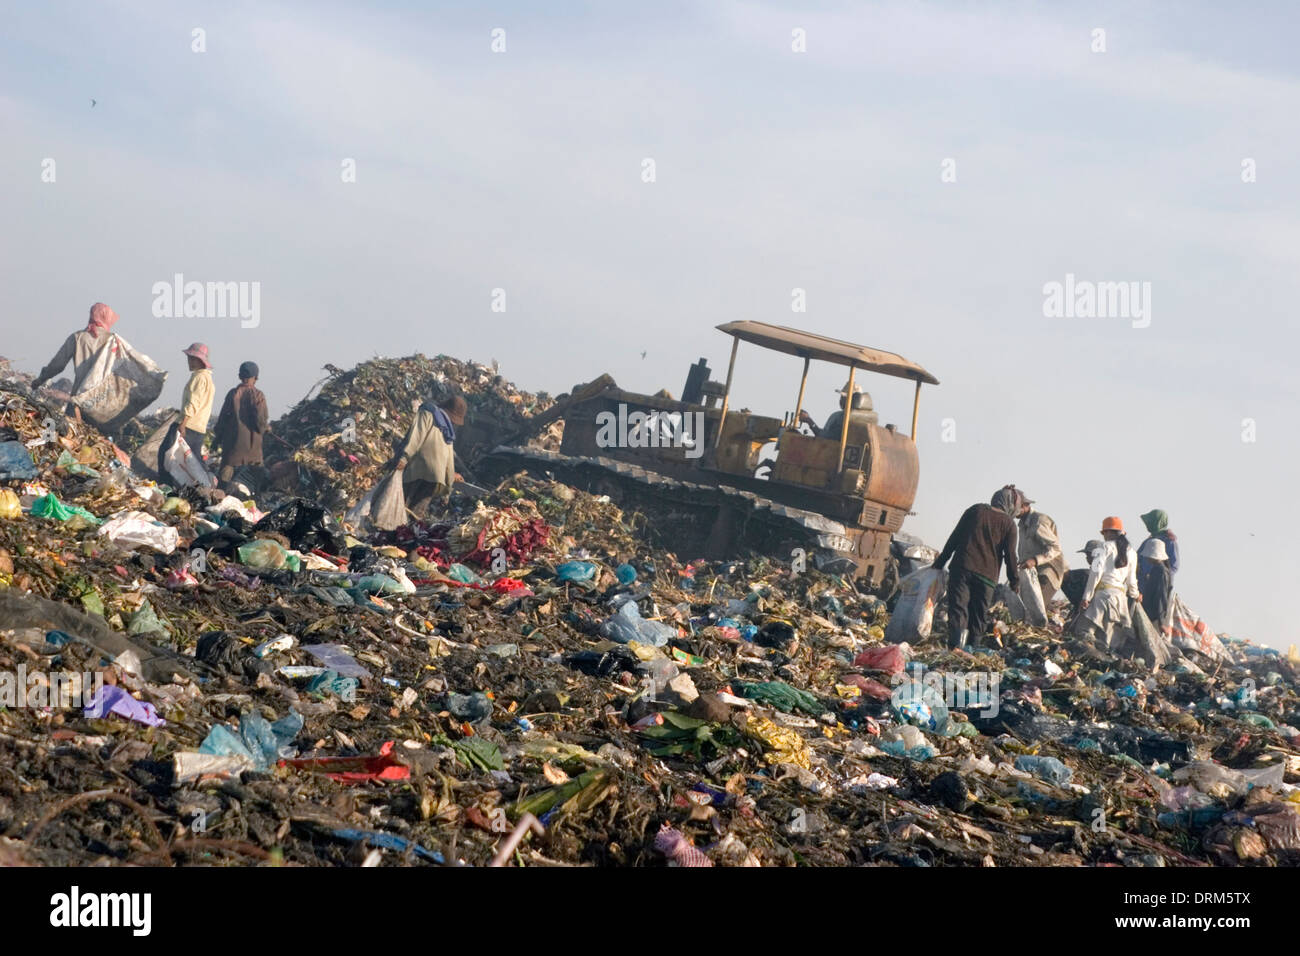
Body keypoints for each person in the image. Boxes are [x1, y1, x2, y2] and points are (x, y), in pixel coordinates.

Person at [932, 486, 1020, 650]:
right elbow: (1010, 555)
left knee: (958, 608)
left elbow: (955, 537)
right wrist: (1015, 581)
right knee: (978, 615)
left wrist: (940, 562)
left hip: (963, 567)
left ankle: (955, 647)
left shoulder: (976, 510)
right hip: (987, 577)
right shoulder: (1009, 525)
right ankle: (973, 649)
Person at [30, 303, 122, 417]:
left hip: (78, 403)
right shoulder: (114, 341)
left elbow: (57, 366)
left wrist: (39, 381)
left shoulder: (77, 338)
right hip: (102, 405)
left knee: (70, 433)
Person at [1074, 516, 1141, 652]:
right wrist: (1136, 594)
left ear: (1107, 532)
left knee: (1083, 632)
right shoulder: (1132, 553)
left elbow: (1095, 574)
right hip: (1119, 600)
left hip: (1102, 597)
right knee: (1106, 641)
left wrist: (1086, 598)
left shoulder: (1103, 547)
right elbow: (1132, 580)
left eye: (1104, 533)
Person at [394, 393, 466, 516]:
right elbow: (448, 459)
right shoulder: (448, 431)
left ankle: (389, 532)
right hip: (436, 477)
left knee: (400, 506)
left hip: (418, 469)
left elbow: (416, 436)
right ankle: (406, 533)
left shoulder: (427, 413)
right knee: (416, 514)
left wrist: (404, 458)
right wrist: (448, 482)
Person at [214, 361, 269, 490]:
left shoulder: (232, 394)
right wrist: (266, 428)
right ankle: (257, 501)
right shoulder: (259, 395)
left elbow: (222, 419)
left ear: (240, 376)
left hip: (232, 445)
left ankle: (219, 497)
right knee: (257, 477)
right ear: (256, 378)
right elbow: (261, 421)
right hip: (253, 448)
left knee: (225, 475)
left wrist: (217, 439)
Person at [1013, 490, 1068, 606]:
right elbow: (1024, 554)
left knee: (1037, 606)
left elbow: (1056, 548)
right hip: (1033, 574)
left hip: (1049, 572)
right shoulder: (1022, 525)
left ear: (1024, 506)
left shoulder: (1038, 521)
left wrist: (1035, 560)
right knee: (1025, 607)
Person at [798, 384, 878, 438]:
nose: (840, 399)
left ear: (851, 399)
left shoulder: (843, 417)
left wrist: (809, 420)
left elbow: (824, 436)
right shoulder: (868, 418)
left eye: (843, 397)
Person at [1060, 540, 1103, 614]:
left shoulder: (1087, 574)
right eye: (1087, 555)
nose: (1087, 558)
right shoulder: (1089, 572)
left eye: (1089, 555)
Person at [1138, 538, 1173, 627]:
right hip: (1149, 614)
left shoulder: (1161, 571)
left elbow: (1161, 596)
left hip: (1154, 617)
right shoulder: (1156, 569)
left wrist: (1161, 621)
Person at [1137, 509, 1180, 580]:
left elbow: (1174, 565)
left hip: (1159, 585)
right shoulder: (1147, 542)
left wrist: (1161, 577)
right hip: (1143, 585)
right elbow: (1137, 560)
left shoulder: (1169, 542)